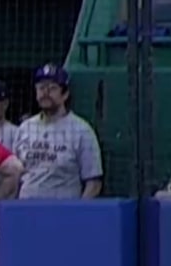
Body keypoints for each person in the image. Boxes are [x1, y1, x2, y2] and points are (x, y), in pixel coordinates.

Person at [13, 63, 103, 200]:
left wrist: (78, 211)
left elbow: (94, 183)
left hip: (62, 211)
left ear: (65, 94)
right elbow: (14, 175)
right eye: (41, 88)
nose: (45, 92)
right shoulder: (25, 128)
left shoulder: (81, 130)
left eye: (52, 88)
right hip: (26, 209)